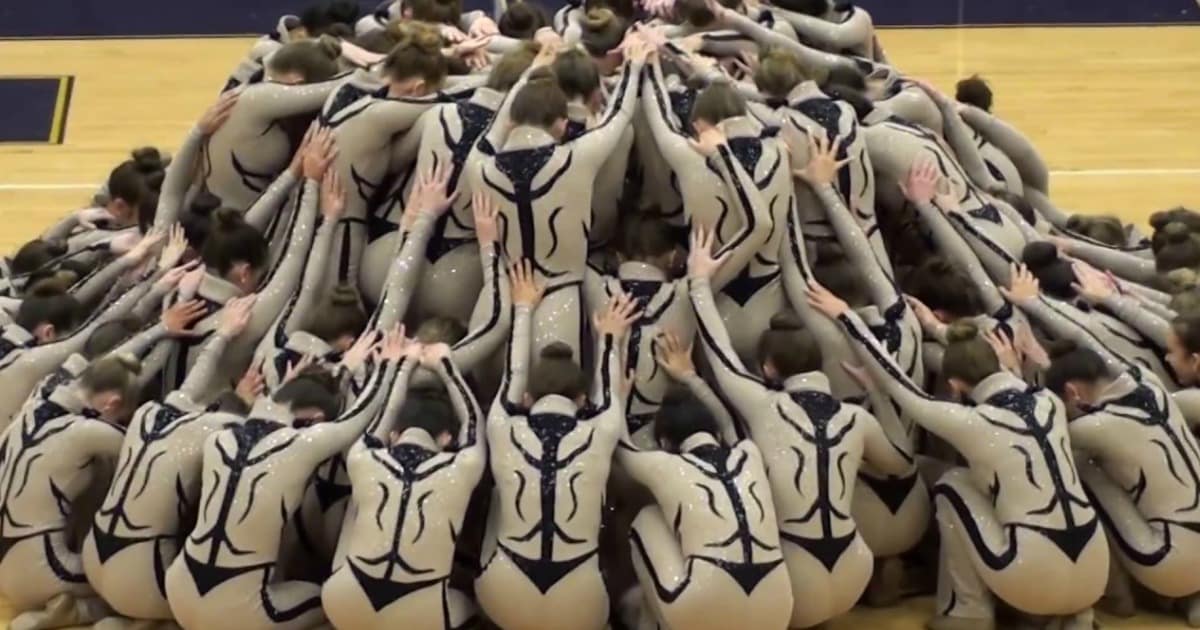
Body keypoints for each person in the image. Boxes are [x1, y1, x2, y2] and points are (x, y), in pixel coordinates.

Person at [811, 284, 1107, 630]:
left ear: (955, 385)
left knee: (953, 484)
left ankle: (966, 613)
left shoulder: (971, 422)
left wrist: (845, 315)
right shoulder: (1049, 402)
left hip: (1034, 575)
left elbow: (893, 379)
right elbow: (1012, 384)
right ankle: (1074, 615)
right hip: (1093, 572)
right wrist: (1009, 367)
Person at [687, 225, 913, 626]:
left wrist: (699, 282)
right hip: (853, 570)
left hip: (792, 576)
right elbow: (900, 463)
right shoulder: (855, 418)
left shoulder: (762, 404)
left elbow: (717, 346)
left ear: (769, 368)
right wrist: (876, 393)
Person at [163, 327, 409, 630]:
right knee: (330, 601)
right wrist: (392, 365)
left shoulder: (222, 436)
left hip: (175, 588)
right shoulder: (300, 446)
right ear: (316, 421)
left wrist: (309, 380)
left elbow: (278, 410)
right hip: (237, 613)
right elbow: (363, 413)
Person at [468, 30, 649, 359]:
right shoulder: (576, 157)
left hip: (496, 299)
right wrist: (635, 66)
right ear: (562, 124)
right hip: (557, 300)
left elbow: (497, 125)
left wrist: (531, 72)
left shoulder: (478, 164)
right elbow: (620, 114)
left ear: (513, 120)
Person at [474, 271, 635, 630]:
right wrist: (609, 335)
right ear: (581, 401)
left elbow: (513, 373)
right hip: (583, 604)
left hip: (503, 597)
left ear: (528, 398)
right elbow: (608, 391)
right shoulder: (603, 427)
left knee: (502, 491)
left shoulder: (502, 426)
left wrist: (523, 308)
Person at [83, 297, 257, 627]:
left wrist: (217, 334)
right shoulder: (220, 430)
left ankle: (92, 612)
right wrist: (245, 402)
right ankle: (144, 621)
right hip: (142, 576)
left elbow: (189, 388)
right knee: (210, 606)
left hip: (92, 559)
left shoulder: (147, 414)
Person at [321, 342, 487, 628]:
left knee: (357, 504)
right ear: (447, 438)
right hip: (424, 615)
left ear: (394, 435)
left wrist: (403, 366)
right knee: (476, 604)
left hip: (343, 601)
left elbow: (383, 415)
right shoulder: (461, 467)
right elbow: (474, 421)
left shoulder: (364, 458)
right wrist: (446, 366)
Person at [0, 354, 142, 628]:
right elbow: (151, 450)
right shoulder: (87, 432)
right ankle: (71, 611)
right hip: (39, 571)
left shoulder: (34, 403)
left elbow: (95, 362)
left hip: (7, 562)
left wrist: (163, 331)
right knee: (131, 589)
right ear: (112, 403)